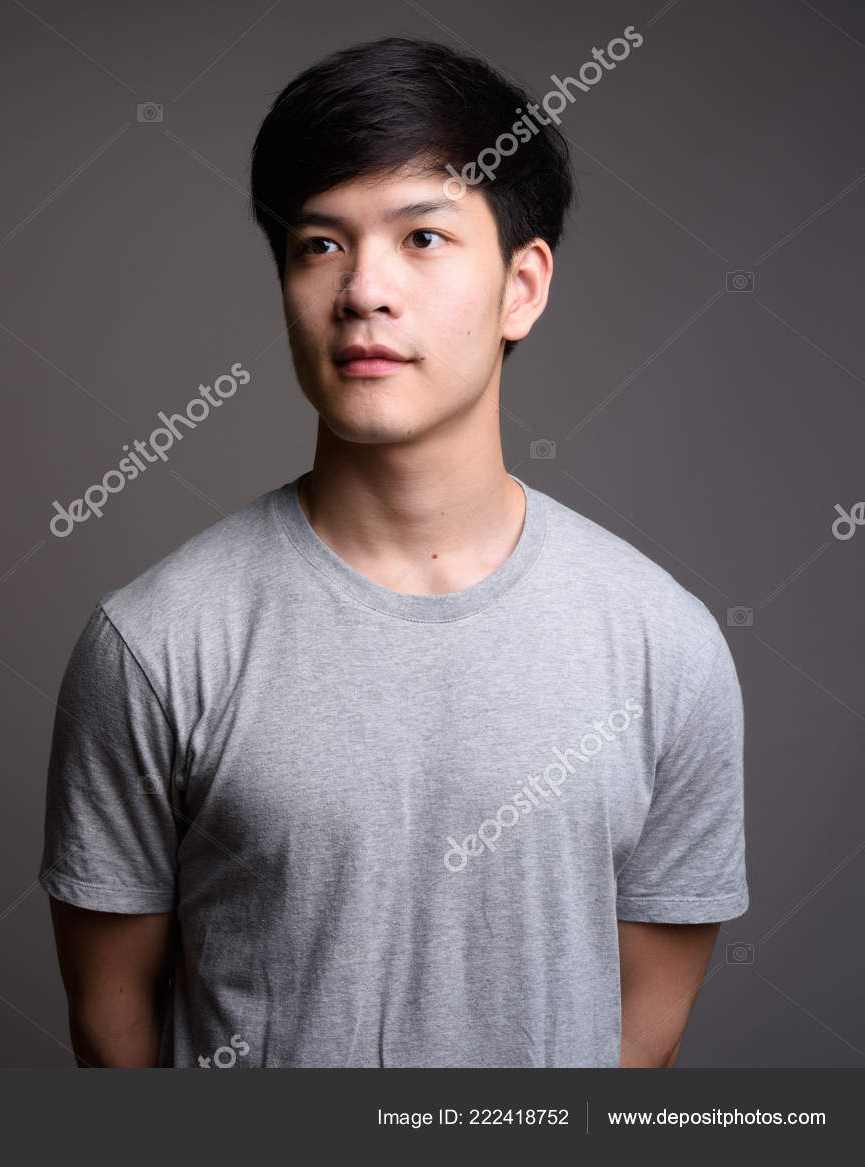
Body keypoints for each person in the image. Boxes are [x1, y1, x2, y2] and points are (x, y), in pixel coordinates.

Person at [38, 36, 747, 1068]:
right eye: (317, 244)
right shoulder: (154, 642)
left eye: (421, 238)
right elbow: (113, 1028)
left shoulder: (664, 648)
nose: (362, 290)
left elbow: (639, 1031)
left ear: (522, 286)